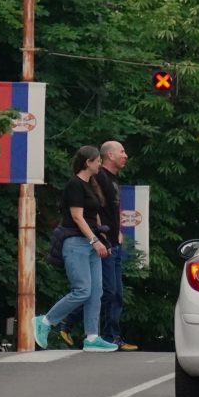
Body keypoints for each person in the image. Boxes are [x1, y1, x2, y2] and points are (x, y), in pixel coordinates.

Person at [33, 146, 118, 352]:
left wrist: (102, 237)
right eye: (97, 161)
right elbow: (78, 217)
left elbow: (93, 215)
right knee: (82, 290)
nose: (100, 164)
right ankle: (45, 321)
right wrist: (94, 241)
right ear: (87, 163)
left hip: (90, 243)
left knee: (96, 292)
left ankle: (92, 337)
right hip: (76, 243)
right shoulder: (75, 185)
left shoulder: (92, 184)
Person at [94, 140, 137, 352]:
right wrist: (100, 236)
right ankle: (104, 336)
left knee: (117, 292)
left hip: (114, 242)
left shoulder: (113, 179)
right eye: (122, 151)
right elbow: (93, 208)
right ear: (109, 155)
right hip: (104, 243)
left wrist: (118, 229)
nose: (125, 155)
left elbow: (112, 209)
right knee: (108, 291)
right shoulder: (99, 177)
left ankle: (113, 337)